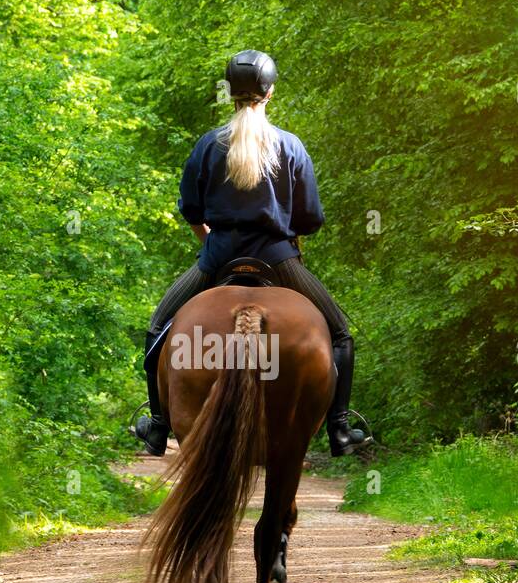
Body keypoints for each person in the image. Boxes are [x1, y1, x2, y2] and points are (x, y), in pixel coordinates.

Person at [135, 49, 370, 458]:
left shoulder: (208, 145)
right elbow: (311, 218)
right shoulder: (291, 147)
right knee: (340, 334)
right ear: (270, 92)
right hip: (279, 258)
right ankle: (340, 429)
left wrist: (210, 240)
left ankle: (157, 427)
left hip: (217, 256)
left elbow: (190, 209)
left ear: (231, 94)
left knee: (158, 329)